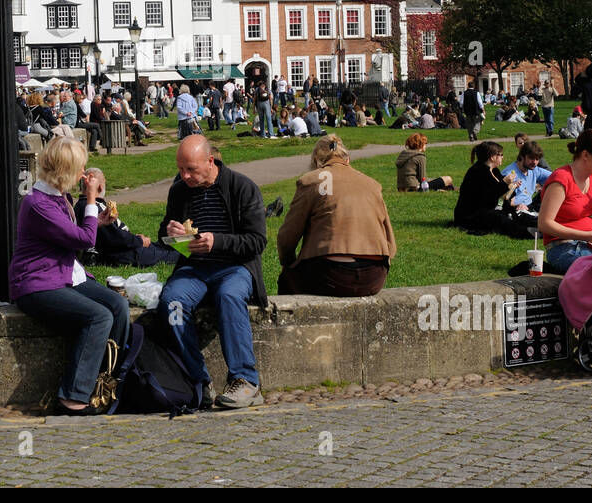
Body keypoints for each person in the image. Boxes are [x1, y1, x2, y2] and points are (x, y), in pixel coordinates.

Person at [12, 138, 130, 415]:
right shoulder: (38, 204)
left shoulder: (57, 197)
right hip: (36, 283)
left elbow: (73, 235)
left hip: (64, 274)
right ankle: (73, 397)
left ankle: (106, 382)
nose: (83, 174)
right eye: (80, 169)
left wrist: (97, 221)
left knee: (119, 306)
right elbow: (83, 240)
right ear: (65, 172)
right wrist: (91, 201)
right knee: (99, 316)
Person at [156, 135, 268, 409]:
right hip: (194, 267)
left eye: (191, 169)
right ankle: (198, 379)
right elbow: (163, 236)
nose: (185, 175)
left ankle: (245, 381)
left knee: (229, 297)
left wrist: (217, 241)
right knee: (172, 302)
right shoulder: (180, 190)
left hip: (234, 267)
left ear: (210, 161)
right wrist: (169, 233)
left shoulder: (242, 187)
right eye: (181, 169)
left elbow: (256, 241)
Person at [276, 135, 395, 297]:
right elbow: (390, 243)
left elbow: (287, 237)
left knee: (287, 279)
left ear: (317, 161)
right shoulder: (372, 184)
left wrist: (288, 262)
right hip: (373, 276)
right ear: (347, 158)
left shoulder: (311, 181)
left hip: (328, 273)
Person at [536, 129, 592, 273]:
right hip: (564, 248)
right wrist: (587, 235)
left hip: (591, 244)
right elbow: (544, 224)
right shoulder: (561, 179)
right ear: (586, 155)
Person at [75, 168, 170, 268]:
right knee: (172, 254)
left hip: (127, 246)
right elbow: (114, 238)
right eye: (104, 182)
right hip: (123, 253)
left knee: (166, 244)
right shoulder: (89, 207)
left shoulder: (86, 205)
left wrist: (137, 239)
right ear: (99, 187)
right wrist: (139, 241)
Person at [453, 141, 533, 239]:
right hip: (471, 215)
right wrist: (505, 183)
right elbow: (489, 197)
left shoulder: (494, 170)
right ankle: (527, 233)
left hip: (487, 210)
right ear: (492, 157)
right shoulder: (478, 172)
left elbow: (502, 193)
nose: (502, 157)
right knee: (499, 218)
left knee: (513, 214)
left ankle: (538, 225)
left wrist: (512, 186)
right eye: (501, 155)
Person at [501, 141, 553, 214]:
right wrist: (517, 205)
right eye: (531, 158)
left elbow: (555, 176)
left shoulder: (534, 170)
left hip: (530, 207)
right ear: (522, 156)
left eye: (537, 159)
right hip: (514, 211)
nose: (534, 162)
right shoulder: (509, 174)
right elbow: (502, 201)